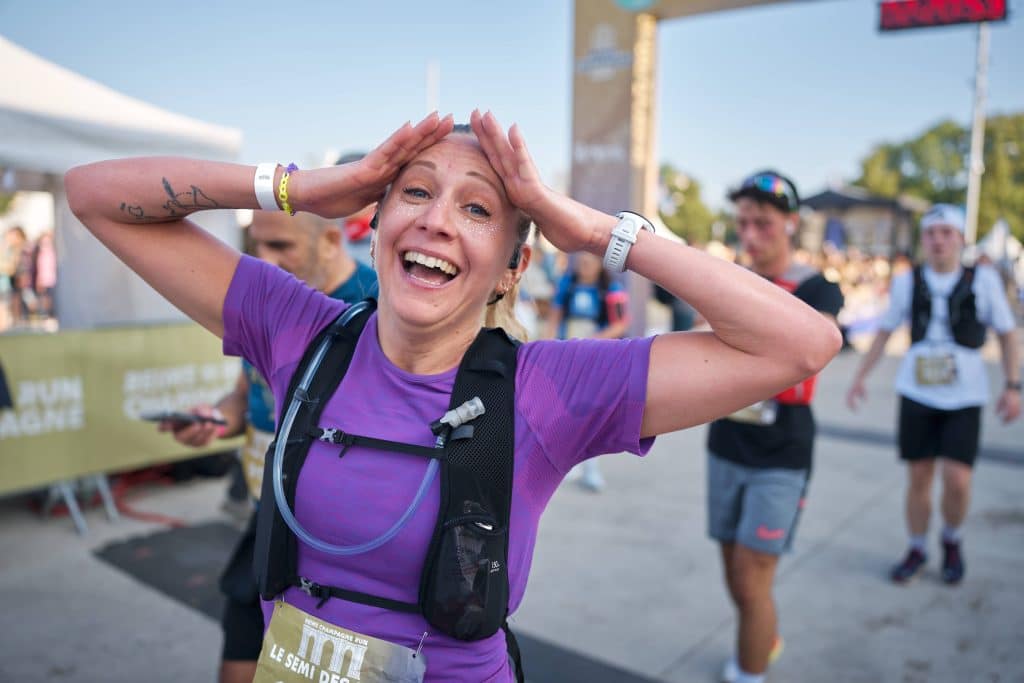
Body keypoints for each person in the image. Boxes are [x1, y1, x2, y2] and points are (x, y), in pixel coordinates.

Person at [65, 111, 841, 683]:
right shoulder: (298, 329)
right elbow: (93, 193)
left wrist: (591, 228)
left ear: (510, 266)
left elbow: (802, 342)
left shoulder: (549, 387)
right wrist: (300, 188)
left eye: (477, 209)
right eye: (414, 192)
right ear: (376, 222)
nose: (437, 220)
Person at [156, 208, 376, 683]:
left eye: (283, 247)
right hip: (267, 517)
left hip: (339, 539)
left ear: (332, 241)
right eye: (257, 245)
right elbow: (245, 396)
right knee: (240, 643)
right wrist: (216, 419)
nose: (265, 261)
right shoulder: (267, 305)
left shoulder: (377, 305)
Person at [707, 171, 843, 683]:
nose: (751, 234)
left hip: (781, 453)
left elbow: (802, 363)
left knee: (751, 576)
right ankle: (763, 638)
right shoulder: (730, 280)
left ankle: (750, 670)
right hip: (726, 443)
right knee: (736, 580)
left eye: (763, 223)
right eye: (743, 222)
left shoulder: (816, 287)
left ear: (791, 224)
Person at [846, 204, 1020, 586]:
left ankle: (951, 538)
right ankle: (917, 546)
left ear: (960, 238)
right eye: (931, 233)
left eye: (947, 233)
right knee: (919, 475)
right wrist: (860, 376)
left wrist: (1012, 386)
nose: (939, 240)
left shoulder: (984, 280)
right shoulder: (909, 281)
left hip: (965, 393)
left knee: (958, 478)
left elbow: (1008, 334)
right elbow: (885, 330)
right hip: (917, 391)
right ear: (923, 239)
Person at [547, 251, 630, 491]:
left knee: (591, 411)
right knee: (566, 409)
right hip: (568, 355)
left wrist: (592, 341)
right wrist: (547, 346)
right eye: (581, 261)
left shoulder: (611, 289)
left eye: (589, 261)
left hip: (596, 358)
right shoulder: (567, 284)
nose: (584, 265)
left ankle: (591, 468)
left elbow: (621, 324)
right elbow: (554, 316)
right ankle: (570, 464)